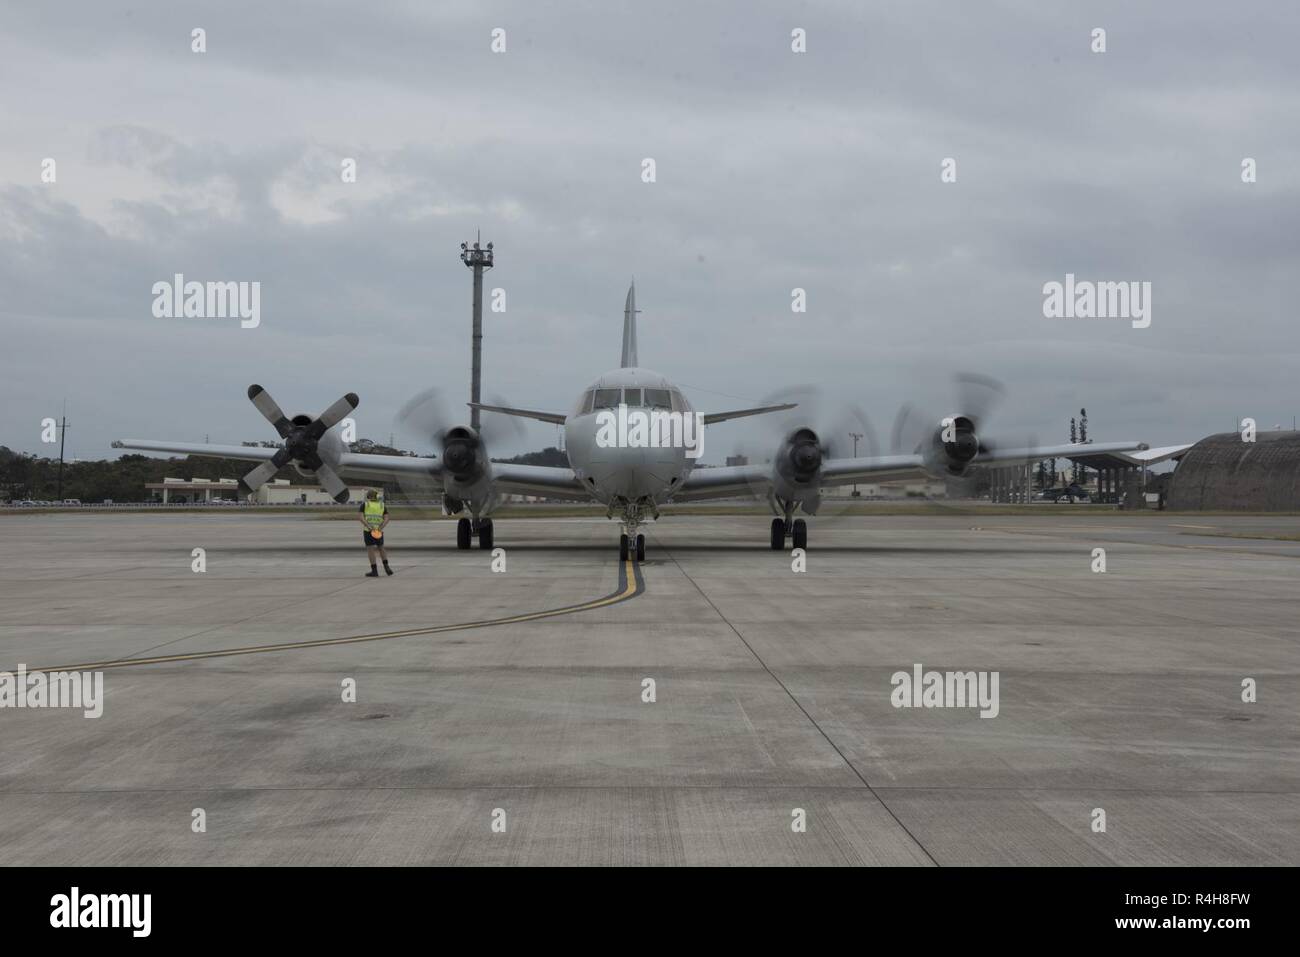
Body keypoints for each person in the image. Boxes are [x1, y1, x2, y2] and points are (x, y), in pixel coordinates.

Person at [359, 489, 392, 577]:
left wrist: (369, 526)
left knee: (370, 550)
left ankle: (374, 571)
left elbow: (361, 518)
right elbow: (387, 518)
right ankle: (386, 567)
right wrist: (380, 528)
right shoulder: (382, 505)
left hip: (368, 530)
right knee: (381, 548)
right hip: (378, 531)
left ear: (368, 496)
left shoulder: (365, 504)